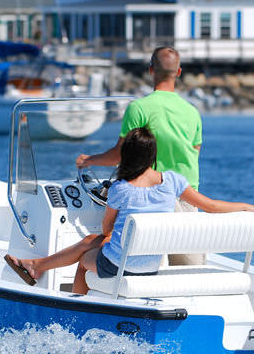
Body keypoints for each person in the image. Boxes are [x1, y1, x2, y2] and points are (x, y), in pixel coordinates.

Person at [4, 127, 254, 294]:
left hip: (120, 266)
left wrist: (110, 232)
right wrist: (246, 207)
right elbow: (212, 207)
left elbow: (107, 229)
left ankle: (76, 310)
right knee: (89, 242)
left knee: (84, 261)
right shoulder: (173, 181)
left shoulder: (120, 189)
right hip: (149, 265)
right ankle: (36, 266)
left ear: (126, 155)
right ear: (153, 155)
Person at [76, 45, 204, 264]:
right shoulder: (192, 112)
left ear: (151, 70)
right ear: (179, 72)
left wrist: (88, 161)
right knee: (186, 268)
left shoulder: (139, 108)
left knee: (151, 264)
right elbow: (194, 153)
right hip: (188, 196)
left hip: (155, 197)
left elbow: (118, 156)